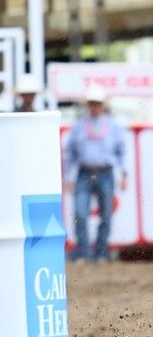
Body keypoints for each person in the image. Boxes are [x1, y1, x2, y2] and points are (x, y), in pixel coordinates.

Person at [63, 85, 128, 264]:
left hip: (105, 173)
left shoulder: (112, 125)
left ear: (102, 105)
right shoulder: (79, 126)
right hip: (84, 173)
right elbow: (70, 153)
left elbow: (121, 151)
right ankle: (84, 252)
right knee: (80, 213)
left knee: (106, 214)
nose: (94, 107)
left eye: (97, 103)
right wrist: (68, 176)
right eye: (91, 103)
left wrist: (124, 173)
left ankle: (101, 251)